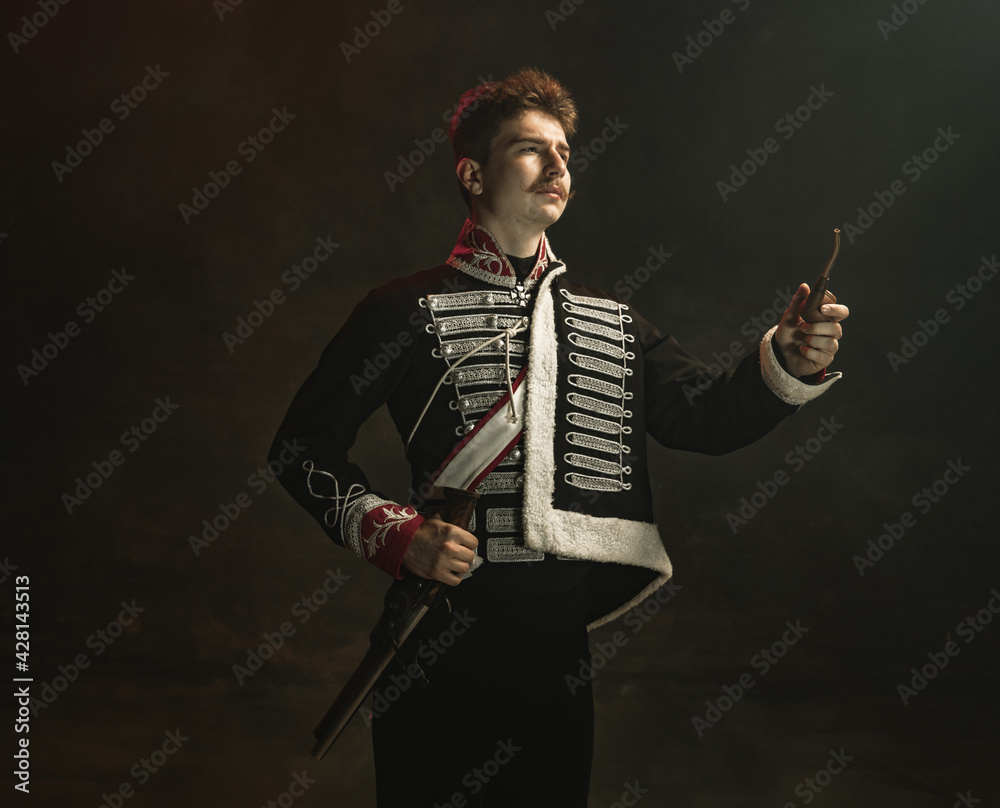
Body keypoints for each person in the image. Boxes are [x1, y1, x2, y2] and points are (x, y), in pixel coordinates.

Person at [268, 67, 848, 807]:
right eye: (530, 148)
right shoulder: (400, 309)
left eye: (565, 151)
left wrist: (789, 360)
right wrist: (394, 533)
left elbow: (705, 417)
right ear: (473, 172)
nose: (557, 164)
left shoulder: (612, 322)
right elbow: (300, 447)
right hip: (438, 636)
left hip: (557, 651)